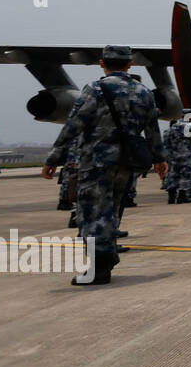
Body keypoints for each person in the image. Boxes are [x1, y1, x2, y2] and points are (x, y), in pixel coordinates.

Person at [40, 45, 168, 286]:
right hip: (127, 163)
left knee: (94, 215)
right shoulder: (144, 92)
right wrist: (160, 159)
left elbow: (73, 125)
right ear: (130, 64)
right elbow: (153, 130)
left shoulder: (95, 90)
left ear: (102, 63)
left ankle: (99, 270)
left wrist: (53, 158)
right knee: (112, 211)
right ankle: (107, 259)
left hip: (97, 163)